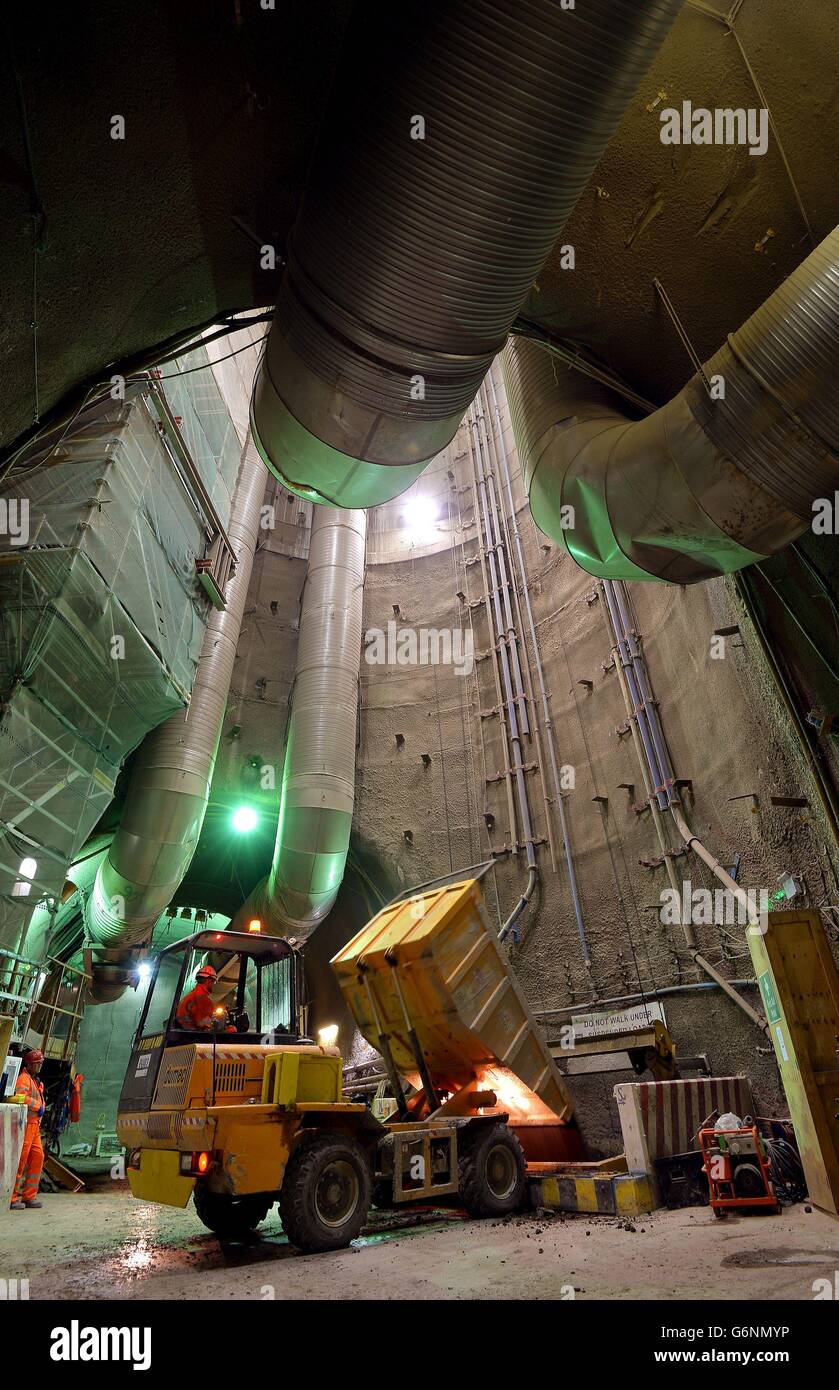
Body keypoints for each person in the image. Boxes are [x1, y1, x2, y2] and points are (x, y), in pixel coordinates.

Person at [10, 1049, 46, 1211]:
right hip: (26, 1125)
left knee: (38, 1157)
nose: (39, 1067)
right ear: (30, 1064)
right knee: (21, 1160)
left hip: (34, 1126)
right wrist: (37, 1106)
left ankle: (29, 1196)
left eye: (40, 1064)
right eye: (37, 1064)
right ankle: (12, 1197)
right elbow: (20, 1097)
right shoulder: (24, 1079)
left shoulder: (35, 1081)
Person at [175, 965, 235, 1032]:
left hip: (185, 1035)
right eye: (214, 982)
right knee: (233, 1030)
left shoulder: (190, 996)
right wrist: (227, 1030)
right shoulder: (203, 999)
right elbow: (205, 1028)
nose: (213, 985)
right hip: (194, 1037)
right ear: (209, 981)